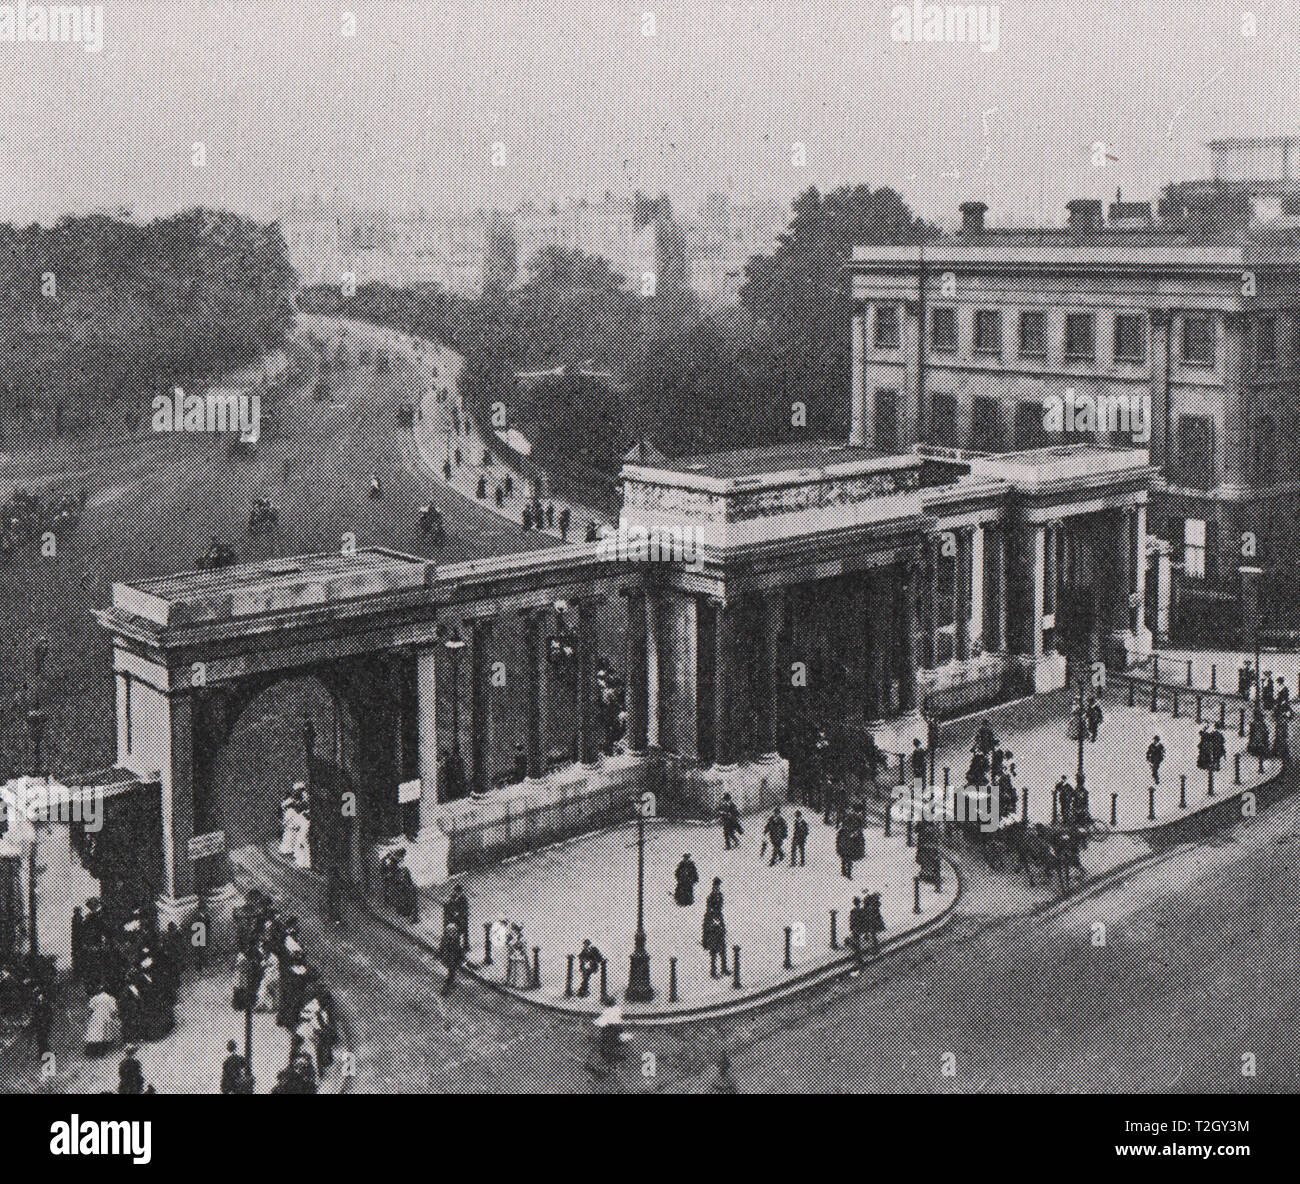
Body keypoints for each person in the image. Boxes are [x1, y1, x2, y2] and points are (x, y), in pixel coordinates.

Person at [84, 985, 121, 1055]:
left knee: (94, 1034)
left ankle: (92, 1051)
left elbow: (90, 1009)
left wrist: (88, 1017)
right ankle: (102, 1051)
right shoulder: (110, 998)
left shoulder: (95, 998)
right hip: (106, 1017)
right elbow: (114, 1010)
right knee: (104, 1035)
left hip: (96, 1017)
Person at [702, 887, 728, 978]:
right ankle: (713, 972)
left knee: (723, 950)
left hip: (719, 933)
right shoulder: (710, 914)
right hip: (713, 934)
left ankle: (723, 968)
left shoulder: (719, 913)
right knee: (714, 952)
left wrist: (723, 929)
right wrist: (705, 940)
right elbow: (706, 927)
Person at [1248, 708, 1271, 773]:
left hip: (1256, 742)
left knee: (1259, 755)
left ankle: (1261, 768)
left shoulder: (1253, 724)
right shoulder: (1262, 724)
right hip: (1261, 742)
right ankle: (1261, 768)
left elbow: (1251, 734)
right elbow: (1266, 733)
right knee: (1261, 755)